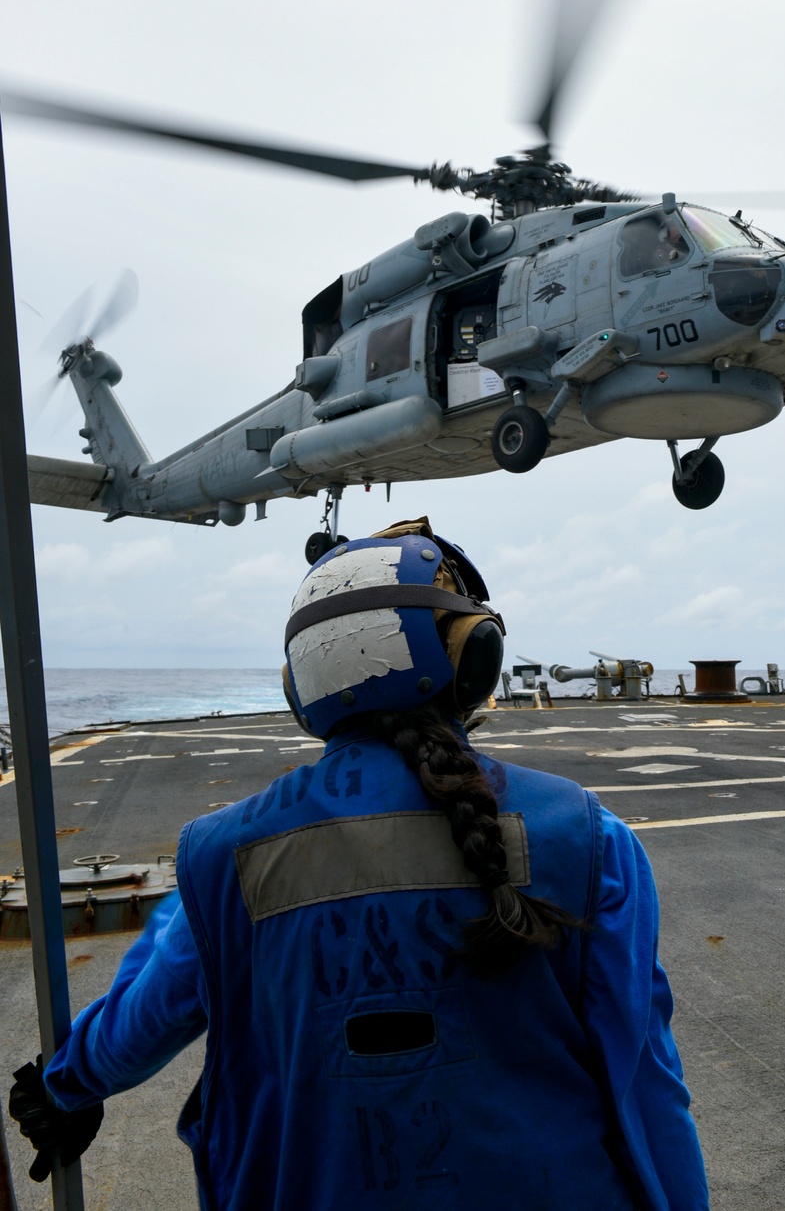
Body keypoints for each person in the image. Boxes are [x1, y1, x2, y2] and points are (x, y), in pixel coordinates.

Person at [9, 518, 709, 1210]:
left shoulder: (225, 854)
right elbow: (647, 1083)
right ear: (474, 659)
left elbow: (144, 1016)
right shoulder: (590, 837)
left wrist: (66, 1086)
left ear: (301, 687)